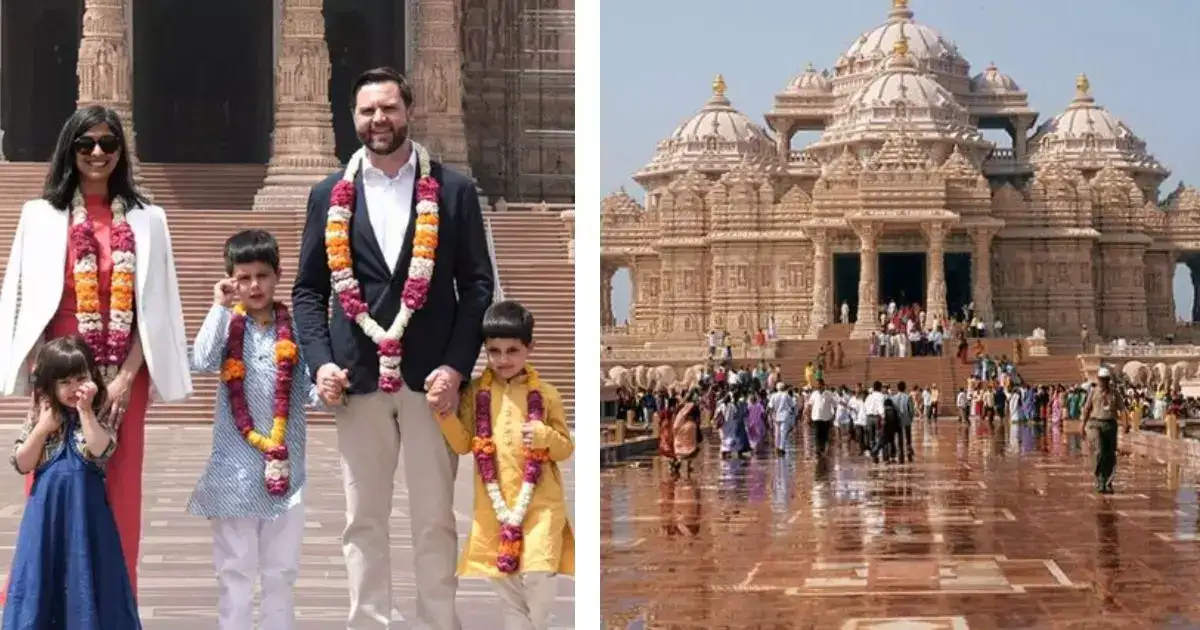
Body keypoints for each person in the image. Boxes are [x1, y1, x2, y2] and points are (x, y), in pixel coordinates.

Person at [291, 67, 495, 629]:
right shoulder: (329, 194)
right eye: (367, 111)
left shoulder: (451, 191)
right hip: (356, 379)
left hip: (432, 382)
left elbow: (477, 285)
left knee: (434, 519)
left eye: (388, 108)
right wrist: (321, 361)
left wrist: (457, 366)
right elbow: (308, 291)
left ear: (408, 111)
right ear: (353, 118)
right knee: (363, 519)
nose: (378, 120)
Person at [0, 105, 192, 599]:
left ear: (122, 151)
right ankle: (43, 600)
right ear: (70, 149)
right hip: (61, 369)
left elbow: (158, 308)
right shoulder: (40, 215)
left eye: (109, 143)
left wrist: (126, 378)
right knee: (51, 483)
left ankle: (113, 603)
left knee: (120, 490)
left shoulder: (150, 219)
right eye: (86, 144)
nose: (98, 153)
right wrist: (38, 384)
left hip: (125, 366)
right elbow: (21, 300)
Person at [188, 230, 318, 629]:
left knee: (281, 573)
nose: (254, 285)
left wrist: (332, 388)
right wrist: (219, 306)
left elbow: (313, 389)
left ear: (278, 275)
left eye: (262, 275)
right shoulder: (229, 326)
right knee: (235, 573)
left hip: (285, 471)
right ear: (231, 280)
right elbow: (203, 359)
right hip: (234, 472)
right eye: (243, 277)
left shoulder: (294, 332)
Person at [435, 301, 573, 630]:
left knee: (539, 580)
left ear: (530, 348)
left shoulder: (547, 395)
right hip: (495, 510)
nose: (503, 360)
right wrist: (442, 414)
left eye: (512, 350)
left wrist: (544, 436)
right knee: (510, 598)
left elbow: (565, 448)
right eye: (494, 351)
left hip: (541, 507)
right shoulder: (475, 395)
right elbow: (464, 443)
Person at [4, 336, 139, 628]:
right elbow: (22, 462)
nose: (73, 388)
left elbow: (101, 448)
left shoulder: (99, 411)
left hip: (87, 517)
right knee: (41, 577)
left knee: (89, 577)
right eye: (64, 381)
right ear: (50, 384)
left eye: (80, 378)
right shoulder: (40, 413)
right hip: (45, 517)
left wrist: (86, 411)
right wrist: (42, 427)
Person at [1081, 367, 1125, 494]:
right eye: (1101, 379)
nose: (1103, 382)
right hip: (1095, 423)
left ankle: (1108, 482)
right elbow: (1087, 409)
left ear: (1108, 380)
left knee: (1110, 454)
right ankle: (1100, 479)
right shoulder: (1093, 392)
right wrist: (1082, 425)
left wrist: (1126, 423)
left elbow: (1122, 409)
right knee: (1099, 451)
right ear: (1098, 379)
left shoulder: (1115, 393)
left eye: (1105, 380)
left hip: (1110, 424)